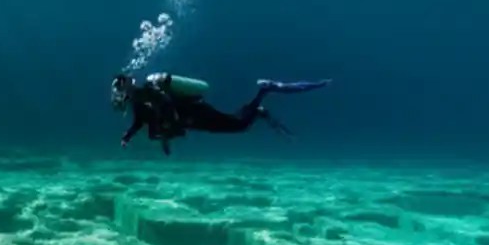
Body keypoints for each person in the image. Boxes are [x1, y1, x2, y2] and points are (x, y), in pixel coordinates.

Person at [110, 72, 330, 155]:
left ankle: (264, 91)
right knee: (234, 122)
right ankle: (257, 108)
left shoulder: (148, 92)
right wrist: (126, 137)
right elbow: (140, 122)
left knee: (239, 126)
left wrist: (172, 126)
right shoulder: (139, 103)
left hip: (196, 114)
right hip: (194, 119)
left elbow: (166, 104)